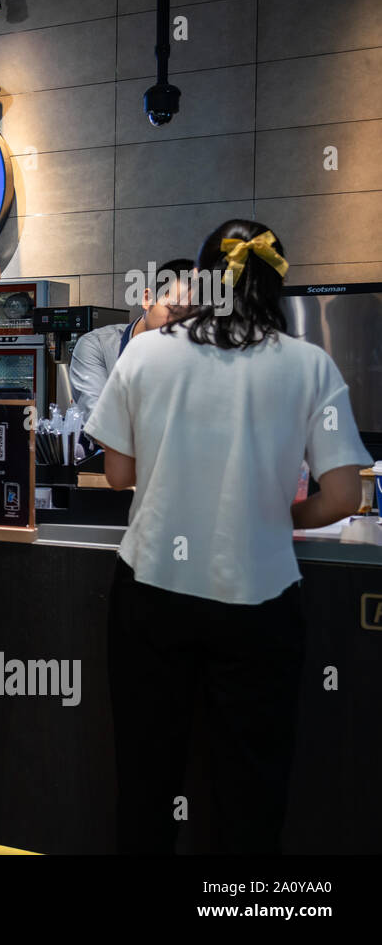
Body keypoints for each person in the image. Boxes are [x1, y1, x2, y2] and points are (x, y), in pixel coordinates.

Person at [84, 219, 371, 854]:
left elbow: (118, 472)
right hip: (260, 604)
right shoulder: (309, 364)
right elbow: (346, 496)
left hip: (152, 594)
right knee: (251, 788)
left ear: (201, 280)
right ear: (276, 286)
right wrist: (273, 514)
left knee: (146, 776)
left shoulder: (148, 352)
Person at [69, 257, 193, 422]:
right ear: (147, 299)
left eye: (190, 319)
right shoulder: (97, 345)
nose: (178, 325)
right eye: (174, 310)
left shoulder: (192, 356)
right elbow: (100, 421)